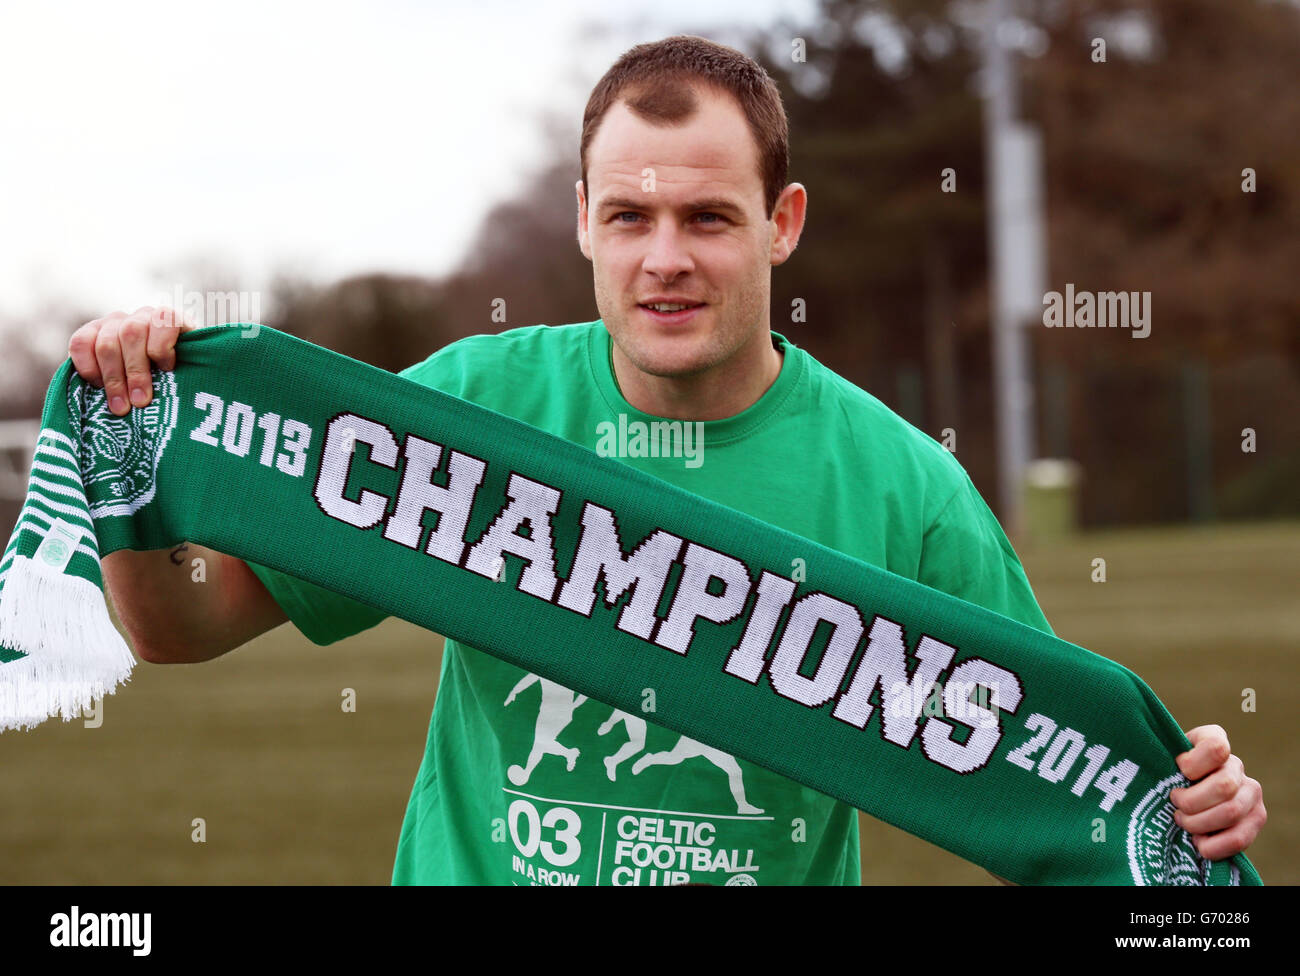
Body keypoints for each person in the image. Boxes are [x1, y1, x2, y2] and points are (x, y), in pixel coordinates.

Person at [68, 35, 1265, 885]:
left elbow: (1056, 782)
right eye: (631, 218)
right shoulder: (468, 407)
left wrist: (1189, 804)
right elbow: (181, 629)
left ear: (781, 223)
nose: (664, 260)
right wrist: (129, 458)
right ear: (586, 218)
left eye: (707, 218)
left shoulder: (907, 490)